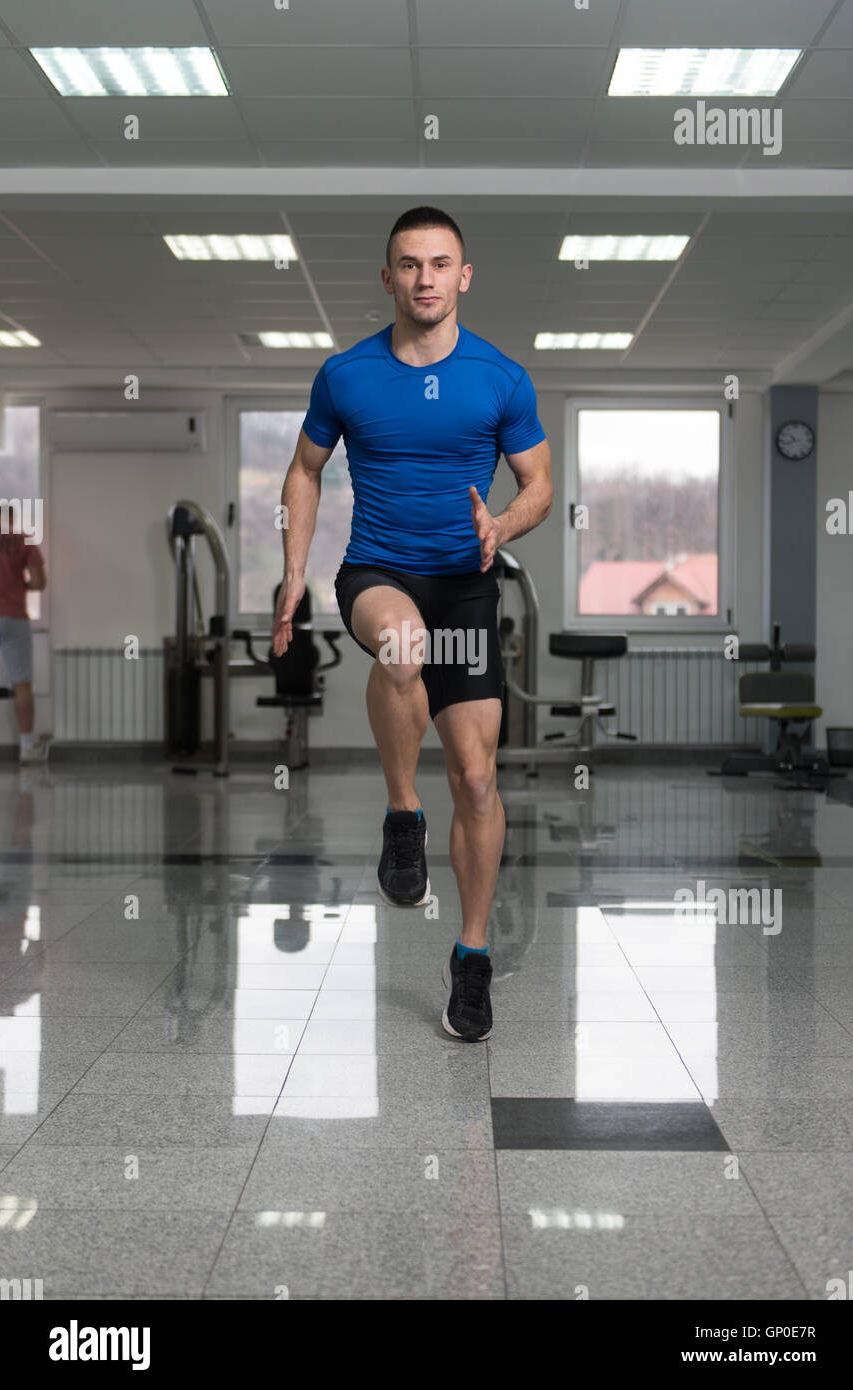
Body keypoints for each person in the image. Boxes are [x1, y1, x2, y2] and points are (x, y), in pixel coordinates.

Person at [272, 206, 552, 1041]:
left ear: (463, 277)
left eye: (440, 264)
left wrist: (503, 524)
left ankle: (470, 957)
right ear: (386, 277)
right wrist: (293, 571)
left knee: (475, 781)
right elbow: (304, 469)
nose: (424, 278)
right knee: (400, 647)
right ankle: (401, 812)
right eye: (408, 264)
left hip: (465, 585)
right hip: (379, 572)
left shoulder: (500, 377)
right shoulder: (346, 374)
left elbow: (538, 484)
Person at [0, 504, 48, 765]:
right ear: (12, 520)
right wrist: (20, 584)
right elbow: (40, 582)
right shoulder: (24, 542)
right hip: (13, 616)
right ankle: (27, 748)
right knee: (22, 685)